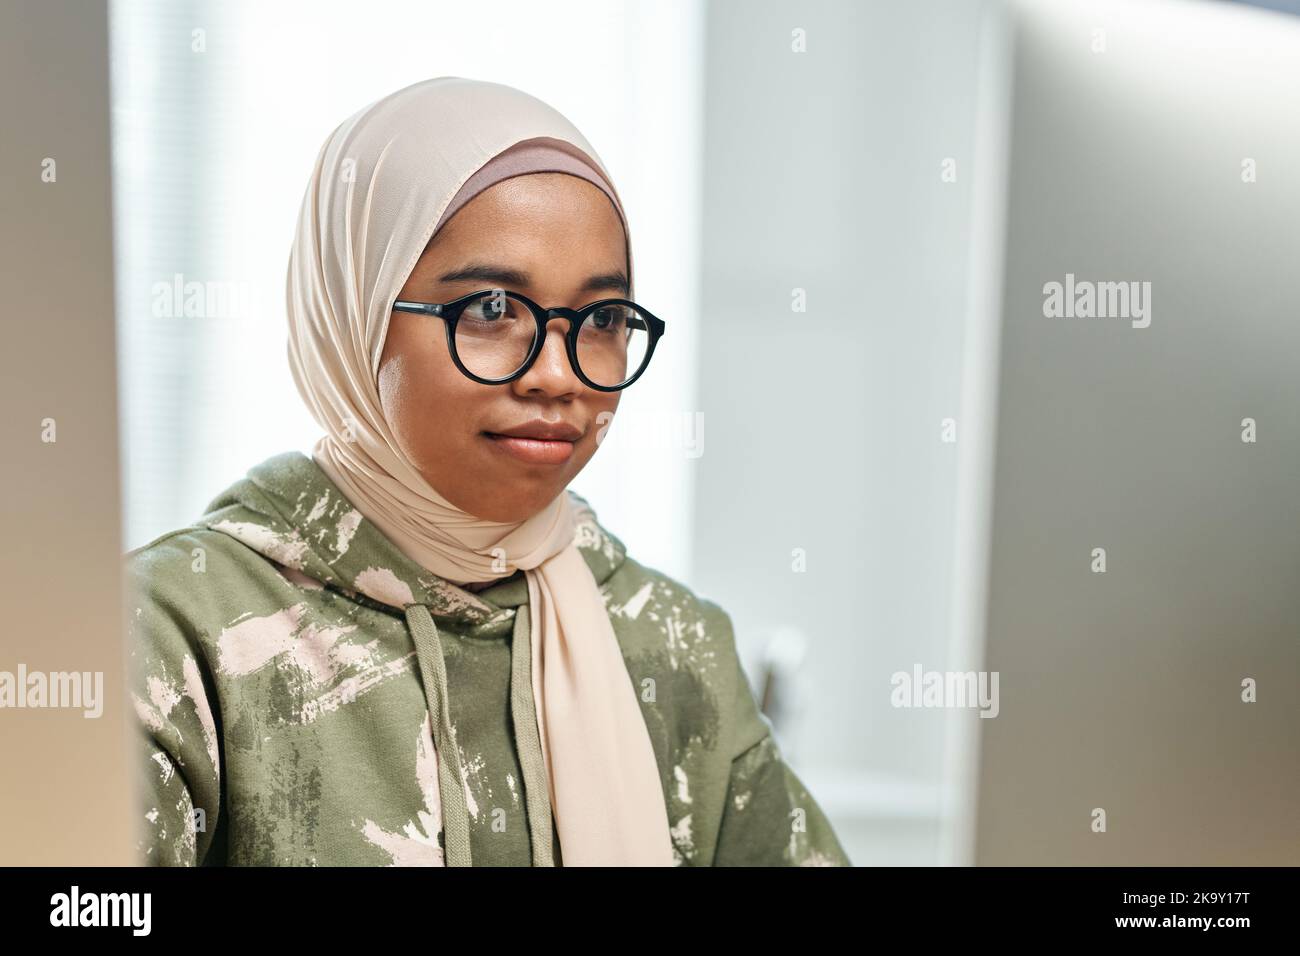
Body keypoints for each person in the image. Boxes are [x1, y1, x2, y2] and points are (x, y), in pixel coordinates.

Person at [124, 76, 850, 867]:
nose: (557, 375)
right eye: (493, 309)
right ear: (354, 316)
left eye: (602, 319)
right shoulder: (173, 634)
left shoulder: (671, 642)